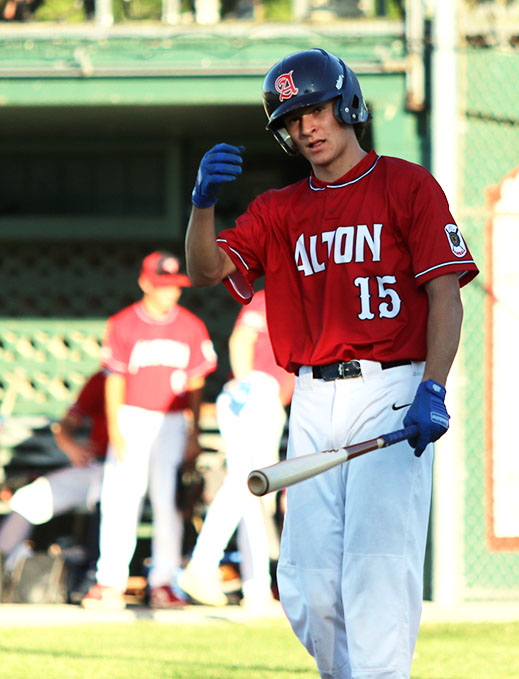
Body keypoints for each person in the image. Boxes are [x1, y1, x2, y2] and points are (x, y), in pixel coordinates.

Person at [185, 47, 478, 679]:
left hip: (391, 386)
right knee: (308, 583)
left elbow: (444, 295)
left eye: (316, 110)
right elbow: (205, 269)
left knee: (377, 569)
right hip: (313, 397)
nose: (306, 128)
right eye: (293, 120)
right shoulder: (280, 209)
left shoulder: (407, 184)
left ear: (347, 105)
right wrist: (201, 203)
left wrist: (433, 386)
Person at [82, 251, 217, 611]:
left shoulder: (190, 326)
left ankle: (164, 581)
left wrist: (193, 433)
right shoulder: (124, 323)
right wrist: (115, 428)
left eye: (174, 285)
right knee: (121, 499)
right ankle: (110, 581)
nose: (170, 292)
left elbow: (196, 384)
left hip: (172, 421)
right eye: (162, 285)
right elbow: (114, 379)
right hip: (133, 416)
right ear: (145, 283)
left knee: (168, 501)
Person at [178, 288, 293, 611]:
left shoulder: (308, 298)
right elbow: (241, 339)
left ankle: (256, 586)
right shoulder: (271, 297)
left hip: (267, 396)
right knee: (248, 484)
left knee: (254, 492)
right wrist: (247, 385)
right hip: (256, 390)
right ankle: (202, 565)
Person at [0, 369, 107, 582]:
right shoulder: (102, 378)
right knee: (28, 499)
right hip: (98, 464)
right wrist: (72, 447)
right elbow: (64, 426)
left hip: (139, 469)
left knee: (103, 495)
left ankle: (96, 576)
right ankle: (3, 561)